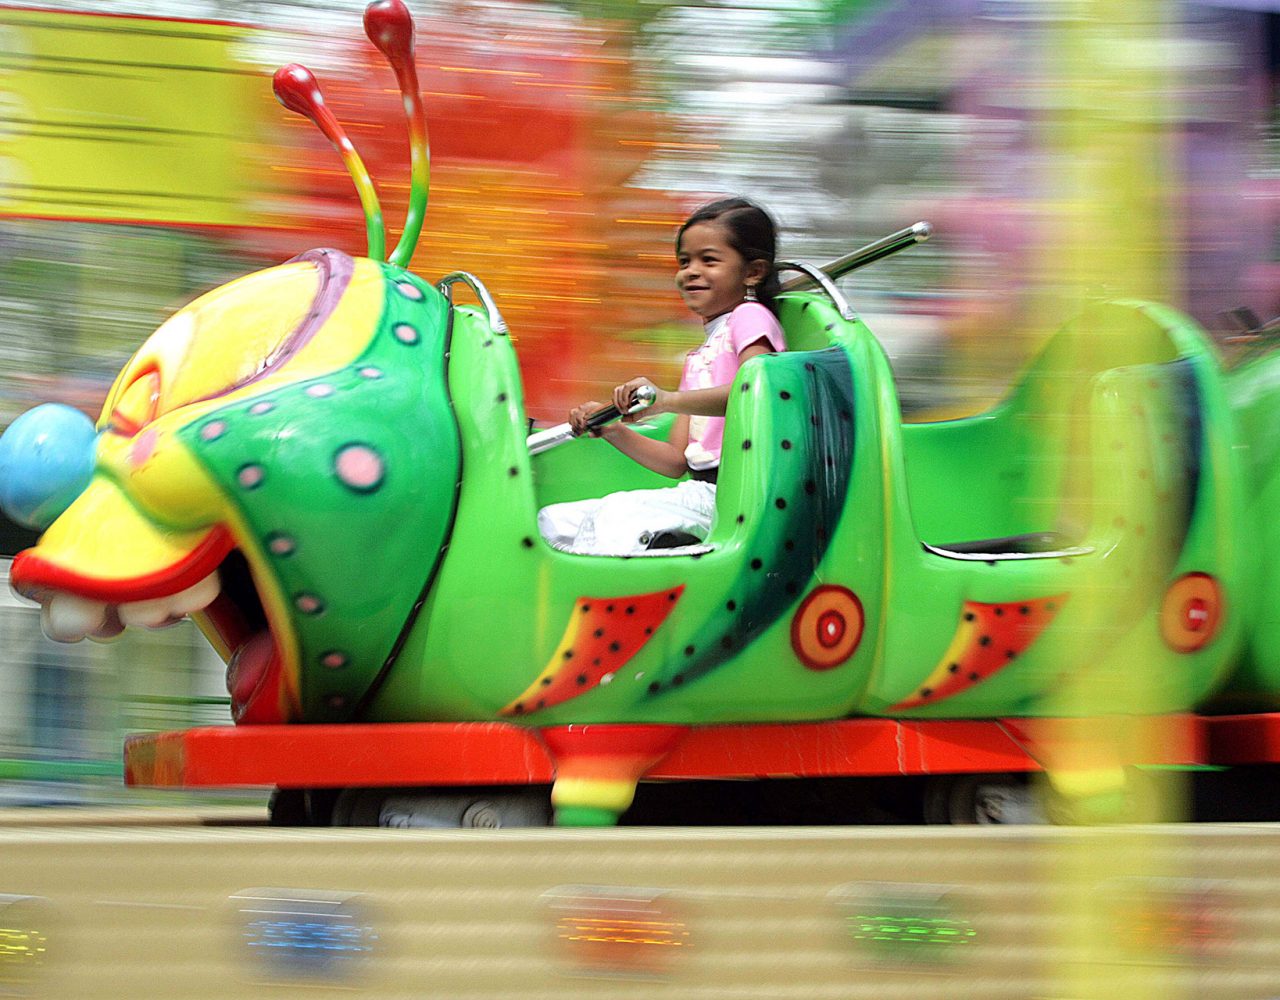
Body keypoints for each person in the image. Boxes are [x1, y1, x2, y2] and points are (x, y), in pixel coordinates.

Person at [538, 197, 786, 555]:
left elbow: (756, 393)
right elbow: (675, 460)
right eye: (684, 261)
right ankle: (665, 547)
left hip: (735, 495)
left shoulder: (749, 316)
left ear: (753, 272)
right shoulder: (699, 357)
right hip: (699, 490)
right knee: (553, 523)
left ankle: (669, 556)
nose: (691, 271)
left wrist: (666, 399)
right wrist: (612, 429)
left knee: (613, 519)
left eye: (709, 260)